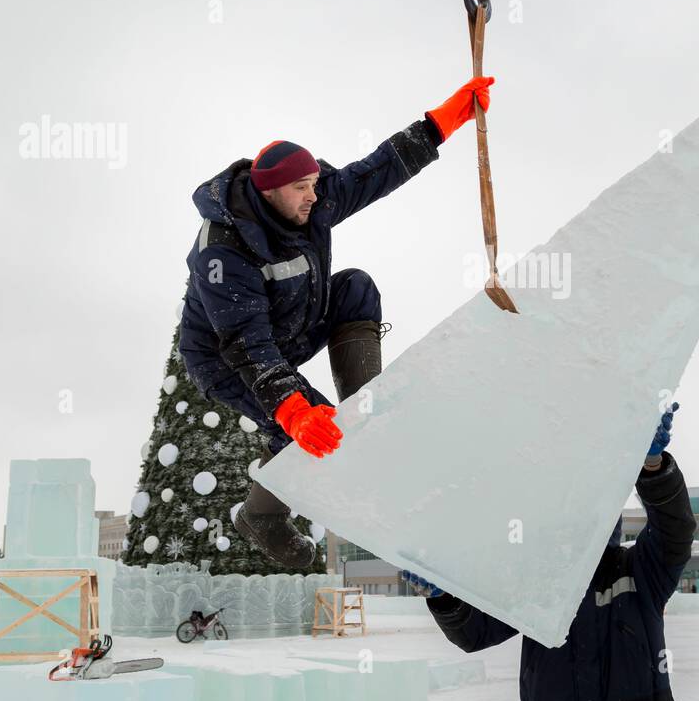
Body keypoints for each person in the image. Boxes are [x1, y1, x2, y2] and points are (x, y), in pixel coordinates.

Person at [177, 76, 496, 568]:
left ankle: (363, 406)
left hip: (290, 325)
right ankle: (259, 513)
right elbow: (246, 342)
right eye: (301, 188)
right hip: (227, 357)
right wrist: (293, 409)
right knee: (311, 430)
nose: (312, 195)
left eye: (313, 185)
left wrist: (444, 121)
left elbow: (377, 171)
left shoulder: (315, 200)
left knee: (355, 285)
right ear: (270, 192)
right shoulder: (223, 249)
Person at [403, 403, 695, 701]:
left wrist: (652, 466)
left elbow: (676, 529)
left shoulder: (639, 572)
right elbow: (474, 633)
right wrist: (444, 598)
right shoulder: (539, 584)